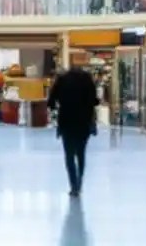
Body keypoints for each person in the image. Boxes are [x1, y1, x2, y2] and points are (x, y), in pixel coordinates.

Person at [48, 66, 98, 197]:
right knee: (81, 153)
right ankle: (79, 181)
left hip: (66, 121)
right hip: (84, 122)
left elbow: (51, 101)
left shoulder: (62, 80)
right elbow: (94, 100)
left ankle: (73, 185)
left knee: (69, 155)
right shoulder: (87, 79)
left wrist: (58, 105)